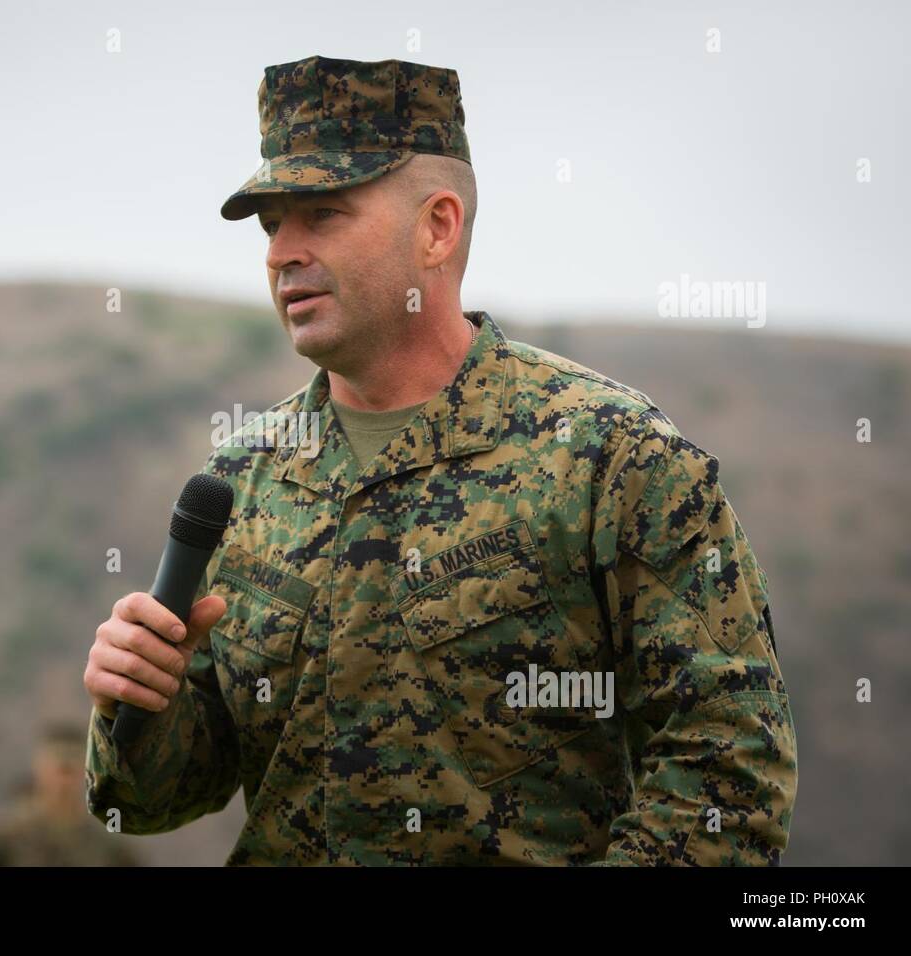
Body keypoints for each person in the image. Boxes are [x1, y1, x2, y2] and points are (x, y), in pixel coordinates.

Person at [83, 55, 797, 865]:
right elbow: (151, 800)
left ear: (438, 227)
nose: (282, 251)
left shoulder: (613, 460)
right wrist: (139, 703)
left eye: (321, 214)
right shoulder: (245, 477)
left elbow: (730, 771)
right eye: (270, 224)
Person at [0, 722, 140, 866]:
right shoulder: (3, 844)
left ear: (88, 772)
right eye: (59, 769)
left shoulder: (110, 850)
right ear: (38, 769)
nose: (64, 780)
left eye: (71, 769)